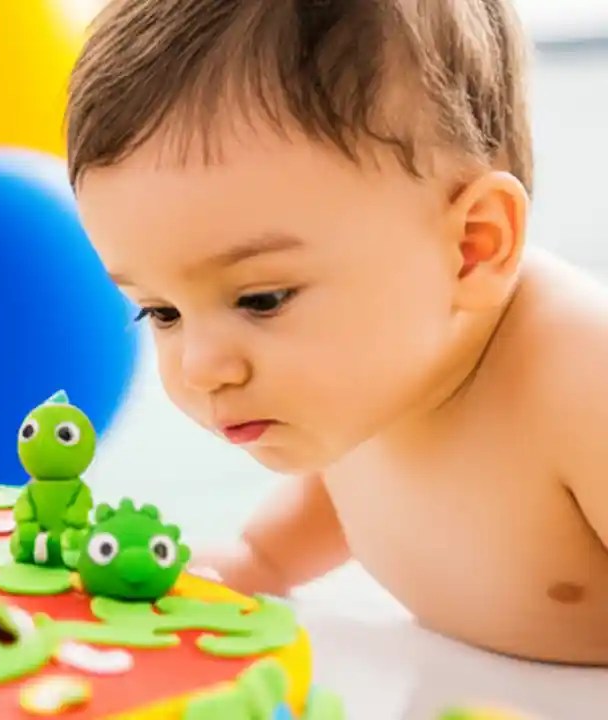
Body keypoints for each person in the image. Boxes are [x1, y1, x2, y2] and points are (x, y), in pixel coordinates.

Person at [66, 0, 607, 665]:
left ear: (471, 246)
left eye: (260, 298)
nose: (200, 367)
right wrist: (260, 561)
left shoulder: (583, 384)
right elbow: (344, 480)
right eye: (162, 312)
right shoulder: (363, 386)